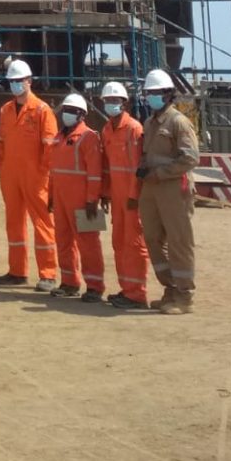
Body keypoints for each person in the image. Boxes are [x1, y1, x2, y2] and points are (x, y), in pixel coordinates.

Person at [138, 67, 199, 314]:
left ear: (167, 94)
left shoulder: (178, 122)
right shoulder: (150, 123)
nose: (150, 97)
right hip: (151, 189)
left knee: (179, 241)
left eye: (155, 93)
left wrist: (160, 173)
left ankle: (185, 296)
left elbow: (190, 158)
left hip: (174, 188)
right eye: (147, 93)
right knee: (152, 239)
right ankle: (170, 288)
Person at [0, 58, 58, 292]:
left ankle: (48, 274)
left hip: (35, 176)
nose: (15, 85)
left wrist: (45, 174)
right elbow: (1, 142)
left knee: (42, 224)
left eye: (19, 81)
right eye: (12, 81)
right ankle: (17, 271)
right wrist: (3, 166)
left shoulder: (42, 110)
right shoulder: (6, 110)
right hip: (11, 175)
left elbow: (49, 146)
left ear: (29, 81)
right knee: (14, 223)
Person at [46, 93, 104, 301]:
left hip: (83, 201)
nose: (67, 114)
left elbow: (95, 173)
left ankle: (95, 286)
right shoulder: (58, 138)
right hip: (61, 200)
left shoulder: (89, 137)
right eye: (65, 110)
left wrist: (92, 200)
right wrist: (51, 196)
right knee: (63, 241)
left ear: (82, 114)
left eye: (72, 111)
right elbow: (54, 171)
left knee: (89, 243)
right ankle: (69, 283)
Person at [99, 80, 150, 310]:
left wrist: (134, 195)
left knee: (135, 244)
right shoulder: (107, 130)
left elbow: (140, 167)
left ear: (124, 103)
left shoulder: (134, 129)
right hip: (117, 197)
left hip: (132, 198)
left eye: (115, 100)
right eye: (108, 101)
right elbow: (108, 166)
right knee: (119, 242)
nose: (111, 104)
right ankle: (126, 289)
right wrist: (106, 193)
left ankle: (137, 294)